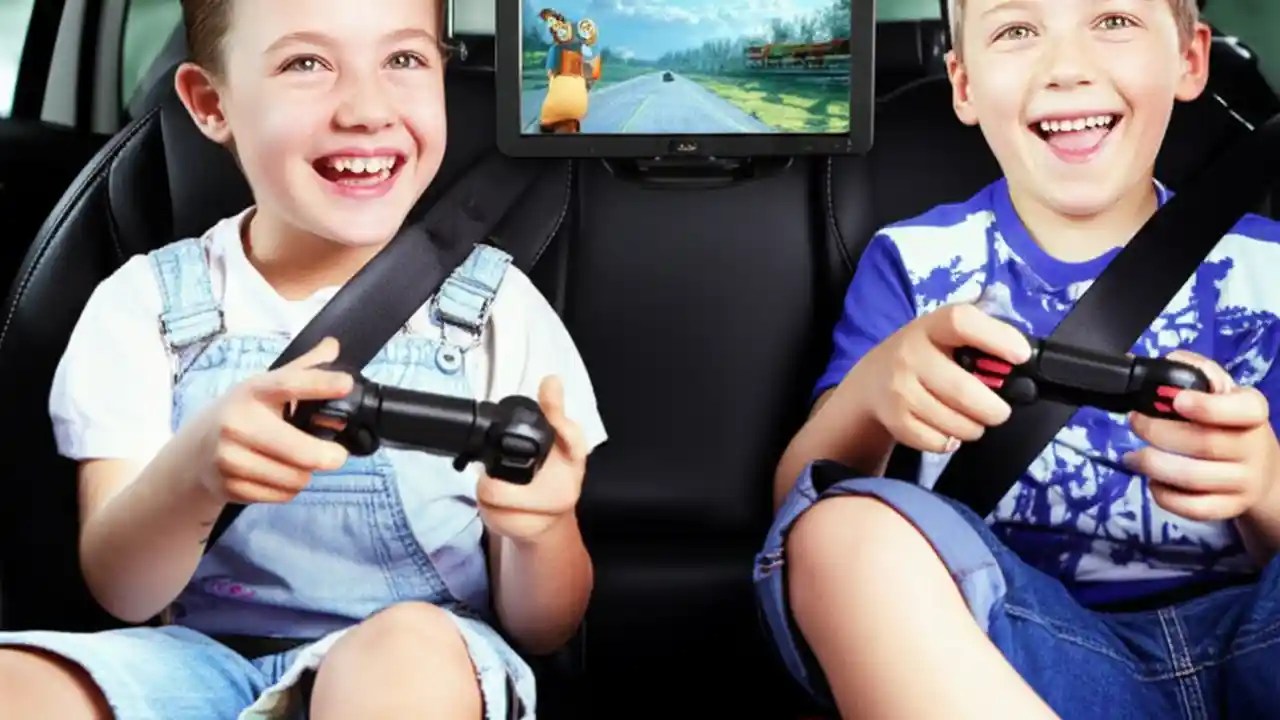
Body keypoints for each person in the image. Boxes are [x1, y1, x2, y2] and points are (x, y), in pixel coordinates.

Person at [0, 0, 606, 718]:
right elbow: (124, 593)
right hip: (196, 663)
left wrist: (540, 530)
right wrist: (194, 474)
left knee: (402, 654)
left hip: (423, 657)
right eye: (306, 63)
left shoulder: (496, 310)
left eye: (403, 59)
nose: (366, 110)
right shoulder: (145, 305)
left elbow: (546, 627)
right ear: (211, 103)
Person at [755, 0, 1280, 718]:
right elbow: (797, 500)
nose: (1066, 68)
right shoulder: (913, 262)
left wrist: (1265, 485)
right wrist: (874, 393)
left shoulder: (1268, 270)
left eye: (1114, 21)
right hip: (1003, 645)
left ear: (1189, 60)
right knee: (836, 532)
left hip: (1255, 628)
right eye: (1017, 30)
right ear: (965, 85)